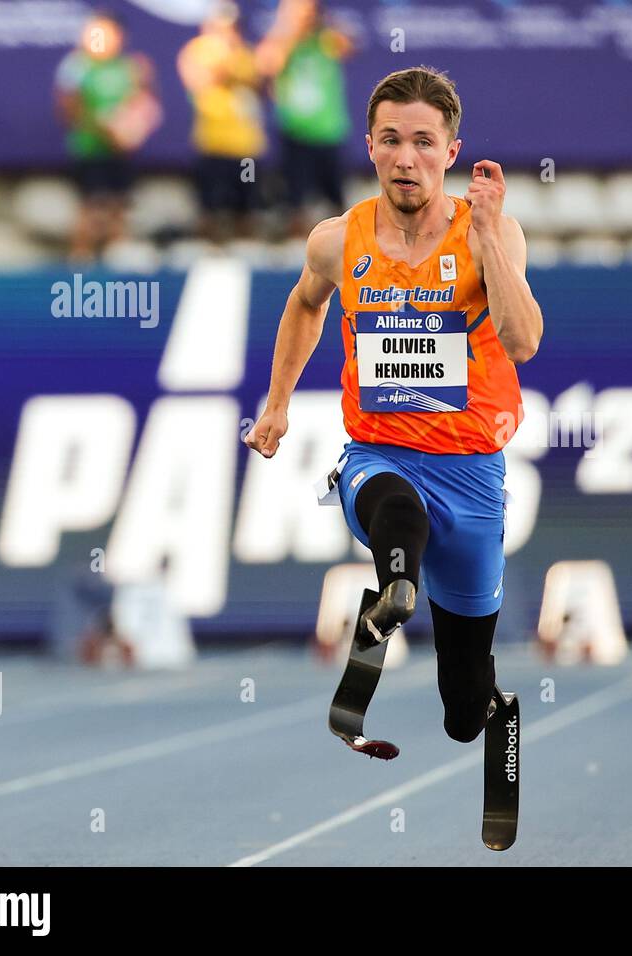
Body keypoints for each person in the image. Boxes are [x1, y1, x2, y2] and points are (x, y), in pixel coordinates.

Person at [245, 66, 543, 744]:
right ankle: (393, 594)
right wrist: (277, 405)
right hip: (378, 456)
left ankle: (488, 707)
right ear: (371, 147)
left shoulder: (489, 235)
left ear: (450, 152)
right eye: (390, 140)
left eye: (423, 142)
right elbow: (303, 305)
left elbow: (523, 343)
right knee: (395, 511)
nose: (406, 157)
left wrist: (491, 238)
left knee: (463, 709)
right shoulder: (335, 240)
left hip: (472, 473)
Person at [54, 11, 160, 260]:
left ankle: (117, 255)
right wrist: (103, 129)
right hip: (90, 148)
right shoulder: (77, 66)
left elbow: (145, 103)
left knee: (119, 203)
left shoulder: (130, 67)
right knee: (90, 204)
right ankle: (81, 258)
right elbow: (69, 109)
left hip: (121, 149)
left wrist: (129, 131)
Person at [257, 0, 356, 235]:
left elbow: (349, 45)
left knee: (336, 197)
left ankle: (345, 243)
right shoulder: (283, 44)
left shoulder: (325, 40)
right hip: (297, 131)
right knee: (296, 198)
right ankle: (299, 249)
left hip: (329, 130)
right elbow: (266, 64)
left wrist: (320, 22)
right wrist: (290, 28)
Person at [177, 2, 266, 242]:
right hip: (213, 143)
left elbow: (258, 81)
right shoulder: (198, 51)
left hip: (246, 147)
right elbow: (199, 79)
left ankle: (245, 248)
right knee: (211, 204)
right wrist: (226, 63)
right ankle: (210, 249)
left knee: (246, 203)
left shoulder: (245, 53)